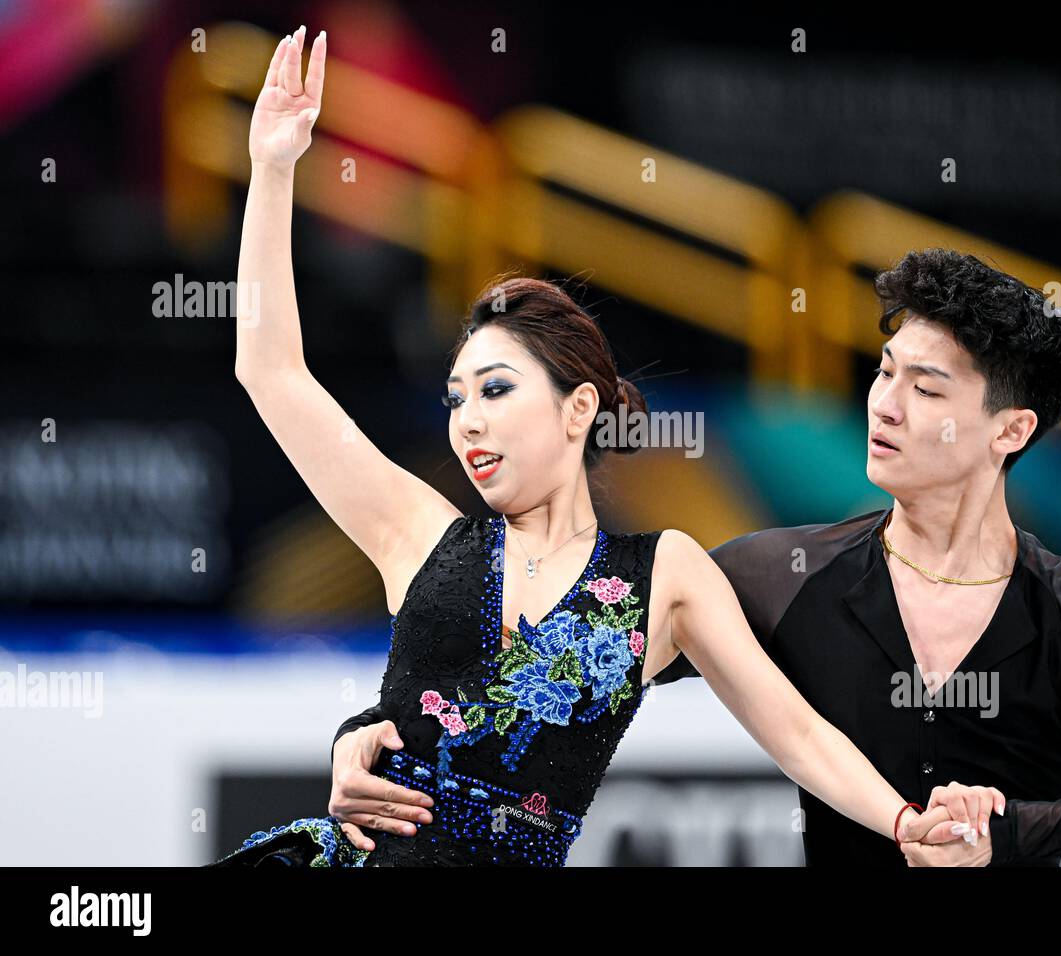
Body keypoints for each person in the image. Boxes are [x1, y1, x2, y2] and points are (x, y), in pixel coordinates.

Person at [209, 26, 988, 867]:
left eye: (497, 390)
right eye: (456, 397)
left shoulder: (667, 574)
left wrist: (906, 823)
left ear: (579, 408)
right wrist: (275, 167)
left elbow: (796, 731)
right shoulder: (417, 531)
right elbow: (271, 372)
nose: (467, 418)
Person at [618, 249, 1061, 865]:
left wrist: (1009, 831)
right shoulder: (780, 573)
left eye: (926, 391)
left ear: (1011, 430)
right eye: (884, 370)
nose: (884, 405)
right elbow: (582, 656)